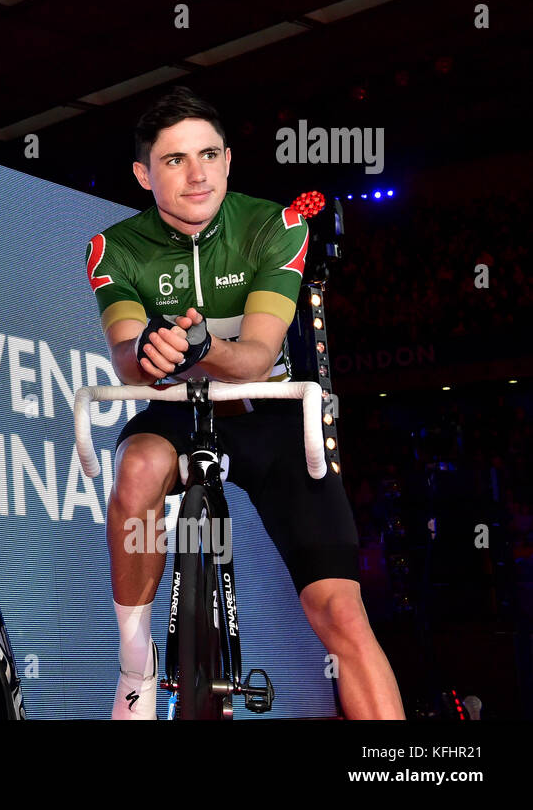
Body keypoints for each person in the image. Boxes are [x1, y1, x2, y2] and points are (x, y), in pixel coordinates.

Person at [86, 86, 403, 719]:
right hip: (181, 413)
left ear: (228, 160)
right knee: (138, 468)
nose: (197, 174)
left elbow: (256, 355)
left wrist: (197, 342)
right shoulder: (112, 246)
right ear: (142, 174)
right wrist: (150, 350)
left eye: (208, 155)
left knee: (340, 610)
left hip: (271, 418)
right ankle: (134, 660)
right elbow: (127, 360)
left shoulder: (275, 226)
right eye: (174, 160)